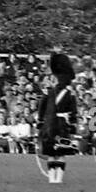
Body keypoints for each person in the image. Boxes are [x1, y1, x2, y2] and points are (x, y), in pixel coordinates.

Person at [39, 51, 78, 184]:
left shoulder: (49, 92)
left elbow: (41, 109)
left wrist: (39, 123)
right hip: (62, 125)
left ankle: (53, 178)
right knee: (60, 153)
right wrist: (73, 126)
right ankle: (57, 179)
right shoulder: (69, 93)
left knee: (52, 153)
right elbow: (74, 112)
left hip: (50, 124)